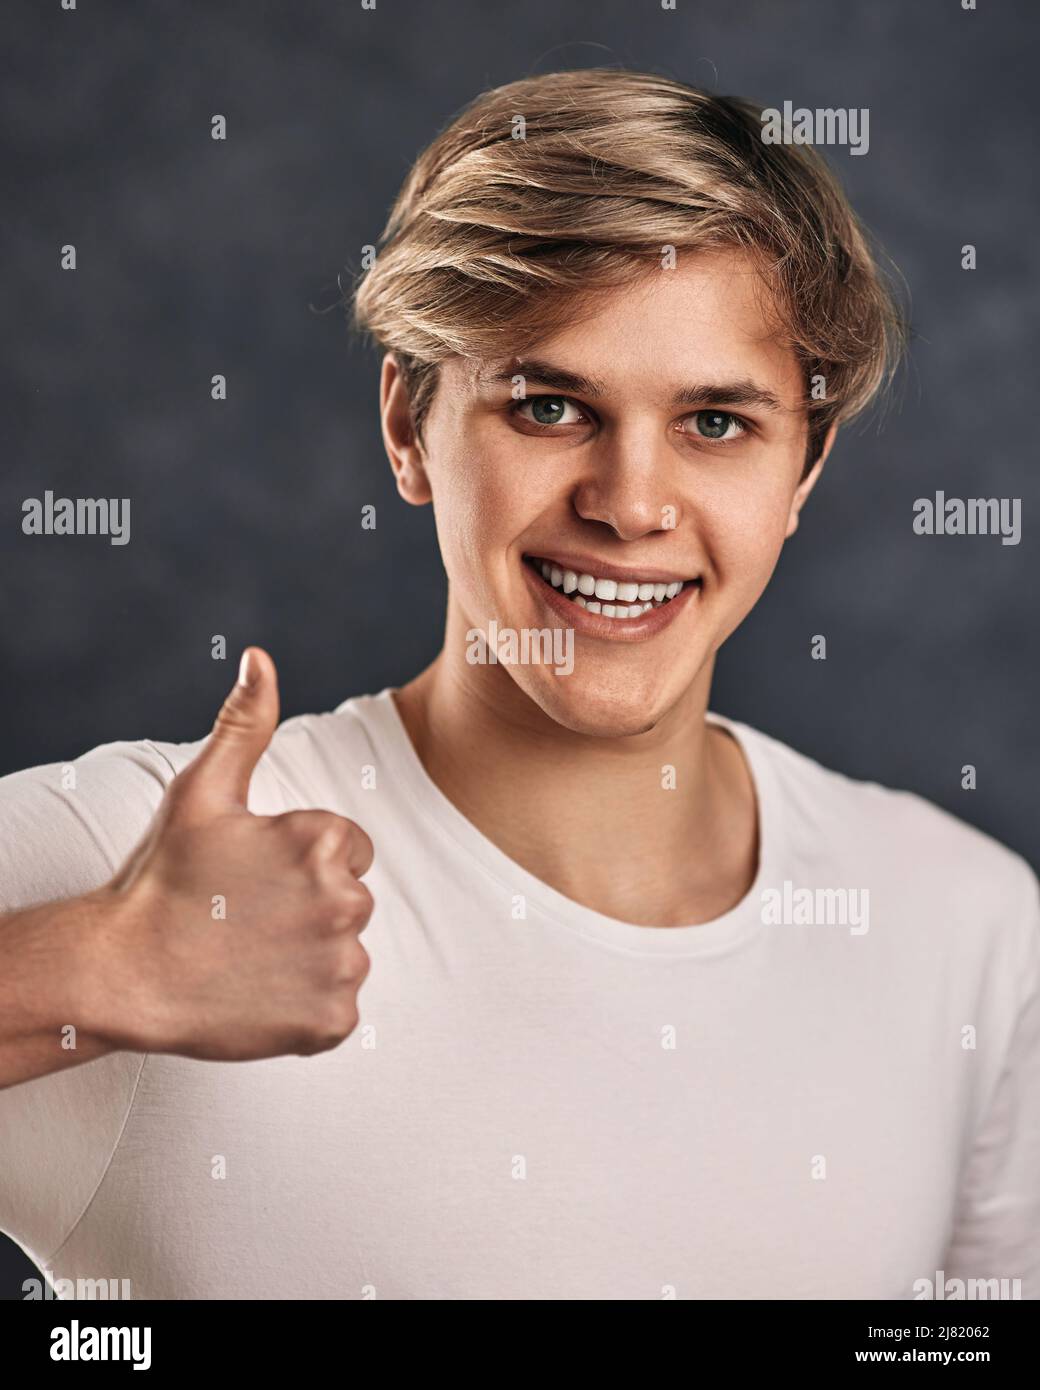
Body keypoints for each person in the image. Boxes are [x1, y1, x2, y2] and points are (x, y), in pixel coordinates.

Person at [0, 68, 1036, 1301]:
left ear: (804, 463)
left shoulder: (962, 923)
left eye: (714, 423)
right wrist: (95, 969)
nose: (630, 505)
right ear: (408, 423)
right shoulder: (143, 857)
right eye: (549, 406)